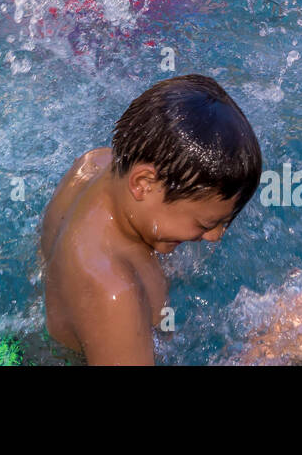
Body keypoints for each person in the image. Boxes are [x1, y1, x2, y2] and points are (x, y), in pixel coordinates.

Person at [39, 74, 263, 365]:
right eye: (206, 224)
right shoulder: (112, 293)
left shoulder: (95, 164)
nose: (215, 236)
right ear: (144, 183)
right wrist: (270, 352)